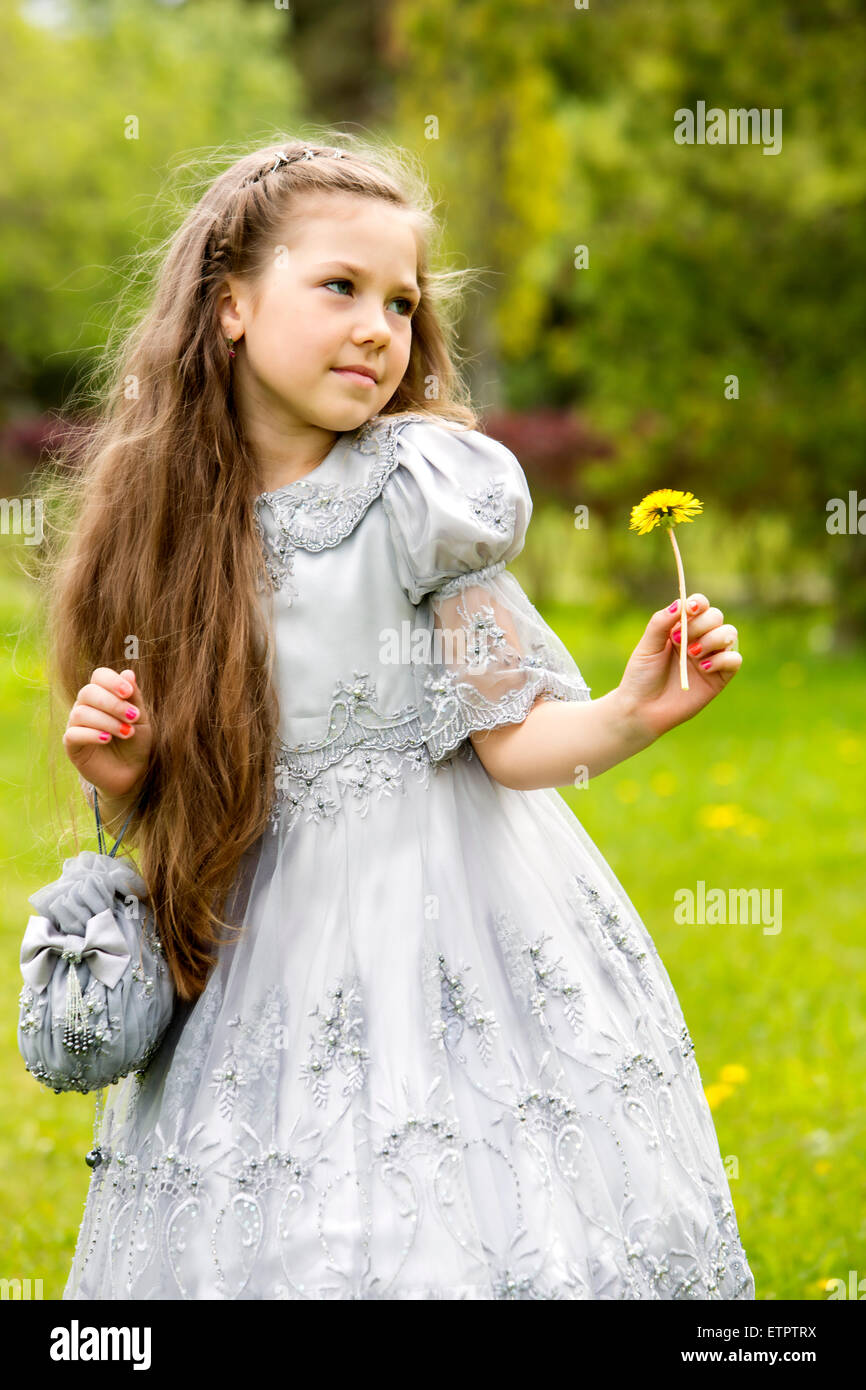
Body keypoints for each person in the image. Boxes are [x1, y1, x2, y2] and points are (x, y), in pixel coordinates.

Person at [47, 132, 754, 1299]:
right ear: (229, 305)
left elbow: (511, 738)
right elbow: (176, 796)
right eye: (339, 288)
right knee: (293, 1207)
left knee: (466, 1198)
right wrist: (122, 774)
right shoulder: (159, 532)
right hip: (264, 943)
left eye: (401, 304)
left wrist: (631, 714)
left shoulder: (421, 494)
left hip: (454, 914)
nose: (379, 327)